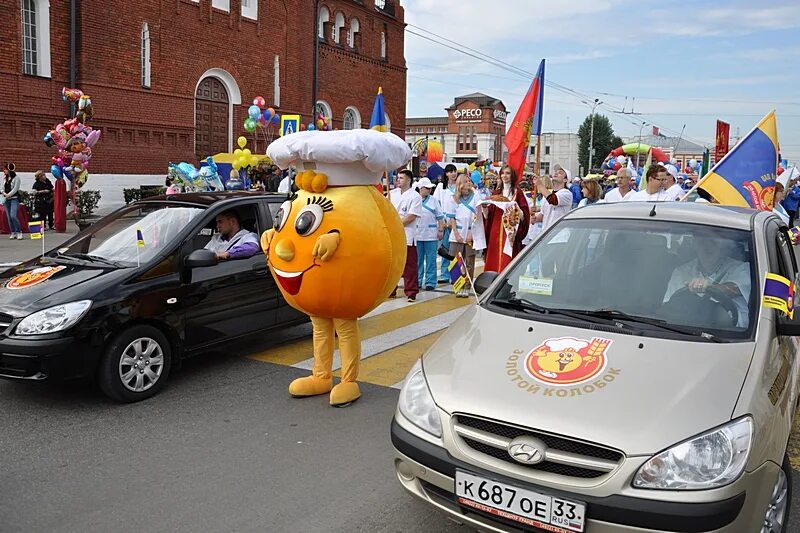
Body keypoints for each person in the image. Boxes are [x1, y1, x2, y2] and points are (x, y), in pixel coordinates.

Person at [663, 233, 751, 328]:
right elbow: (669, 308)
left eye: (713, 242)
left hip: (733, 335)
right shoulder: (681, 272)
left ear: (723, 247)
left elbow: (734, 289)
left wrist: (708, 288)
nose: (707, 246)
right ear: (694, 245)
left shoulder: (742, 268)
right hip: (686, 330)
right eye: (702, 242)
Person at [483, 164, 530, 272]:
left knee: (508, 258)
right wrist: (484, 207)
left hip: (510, 231)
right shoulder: (496, 193)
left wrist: (515, 206)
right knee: (494, 256)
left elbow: (524, 215)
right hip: (495, 230)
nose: (505, 176)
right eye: (503, 173)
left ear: (512, 175)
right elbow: (488, 216)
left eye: (508, 173)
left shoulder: (518, 193)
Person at [447, 174, 486, 297]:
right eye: (466, 181)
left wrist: (472, 233)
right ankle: (458, 285)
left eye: (469, 181)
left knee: (469, 260)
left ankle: (467, 286)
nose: (468, 183)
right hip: (456, 234)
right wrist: (456, 234)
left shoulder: (475, 197)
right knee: (456, 261)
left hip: (471, 233)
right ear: (460, 184)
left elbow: (477, 216)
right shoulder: (453, 198)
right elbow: (451, 217)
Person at [390, 169, 423, 302]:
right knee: (392, 264)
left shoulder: (415, 197)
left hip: (407, 234)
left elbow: (411, 216)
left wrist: (395, 223)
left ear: (409, 180)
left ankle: (411, 292)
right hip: (392, 234)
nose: (398, 180)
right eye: (398, 178)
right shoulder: (392, 194)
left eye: (401, 178)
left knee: (409, 265)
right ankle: (390, 289)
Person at [414, 177, 444, 291]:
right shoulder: (415, 199)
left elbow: (440, 216)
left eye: (430, 188)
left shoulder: (434, 200)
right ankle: (417, 280)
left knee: (431, 259)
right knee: (418, 259)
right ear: (421, 188)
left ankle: (430, 282)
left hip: (431, 234)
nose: (429, 190)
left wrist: (440, 230)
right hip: (417, 234)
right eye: (427, 188)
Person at [433, 164, 458, 283]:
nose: (453, 174)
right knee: (444, 248)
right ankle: (444, 274)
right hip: (444, 220)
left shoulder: (459, 186)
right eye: (450, 172)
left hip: (456, 222)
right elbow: (436, 203)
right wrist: (441, 221)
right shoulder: (441, 187)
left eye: (454, 171)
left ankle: (455, 274)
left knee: (455, 249)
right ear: (446, 174)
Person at [534, 163, 572, 231]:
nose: (556, 173)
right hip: (546, 234)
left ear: (565, 180)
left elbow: (553, 200)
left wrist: (539, 185)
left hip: (559, 235)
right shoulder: (547, 194)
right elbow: (542, 215)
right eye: (555, 172)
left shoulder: (567, 193)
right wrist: (534, 219)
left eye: (560, 173)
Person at [3, 162, 22, 239]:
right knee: (9, 217)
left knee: (13, 216)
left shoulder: (16, 178)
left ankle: (19, 231)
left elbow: (15, 189)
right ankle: (13, 232)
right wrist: (3, 193)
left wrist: (8, 195)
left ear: (9, 170)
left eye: (5, 169)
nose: (4, 171)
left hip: (14, 199)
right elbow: (2, 187)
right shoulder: (5, 178)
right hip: (7, 200)